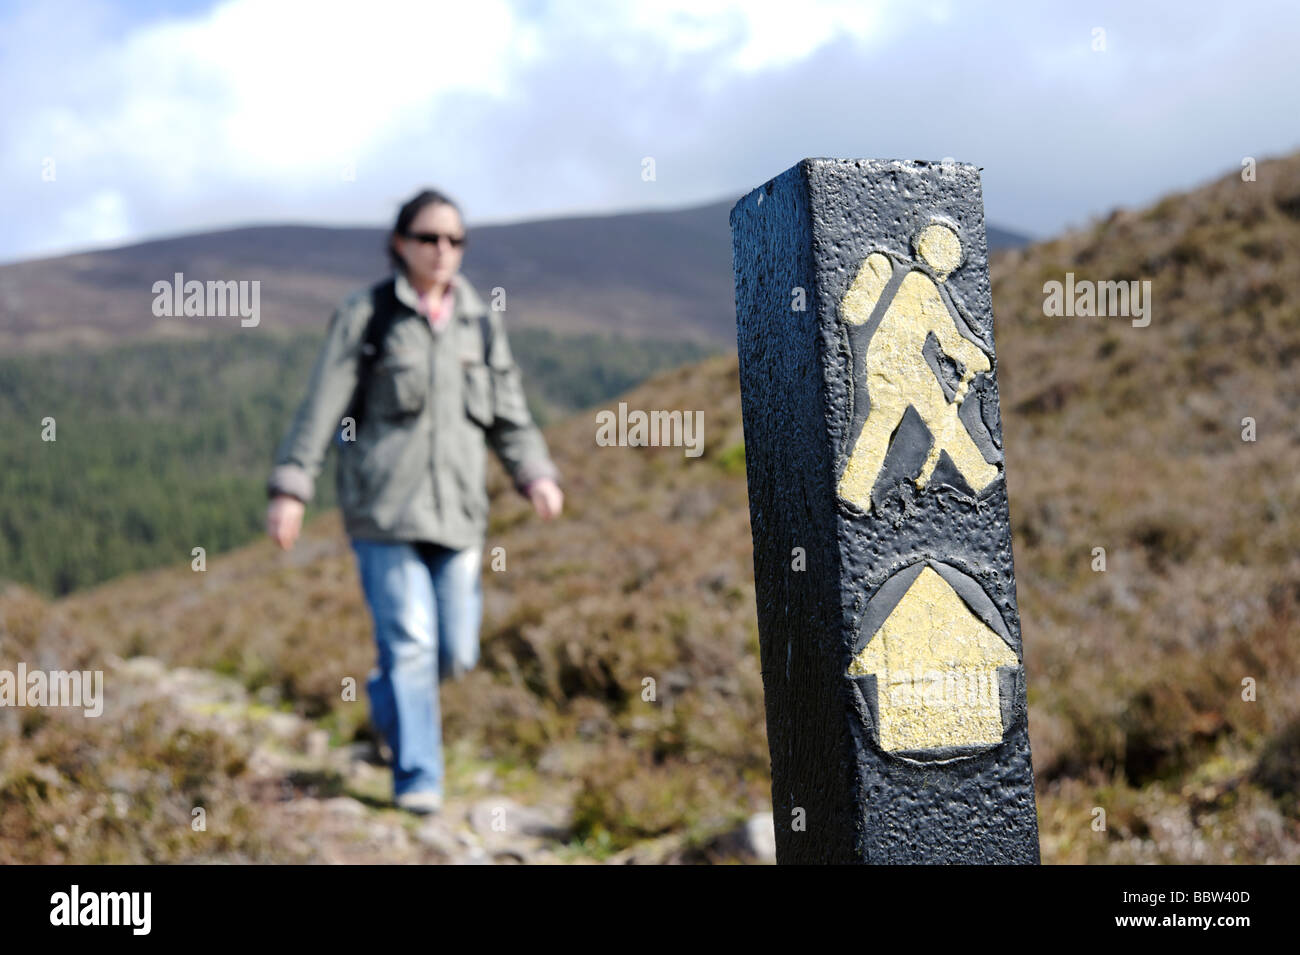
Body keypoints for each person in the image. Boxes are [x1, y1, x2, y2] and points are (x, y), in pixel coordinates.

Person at [265, 188, 564, 815]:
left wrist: (535, 473)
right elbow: (322, 406)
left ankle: (385, 705)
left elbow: (508, 410)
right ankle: (418, 779)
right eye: (429, 238)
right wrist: (293, 486)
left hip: (459, 514)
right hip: (385, 511)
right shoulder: (368, 315)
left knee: (455, 652)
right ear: (400, 242)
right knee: (410, 643)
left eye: (455, 240)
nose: (442, 251)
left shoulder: (479, 319)